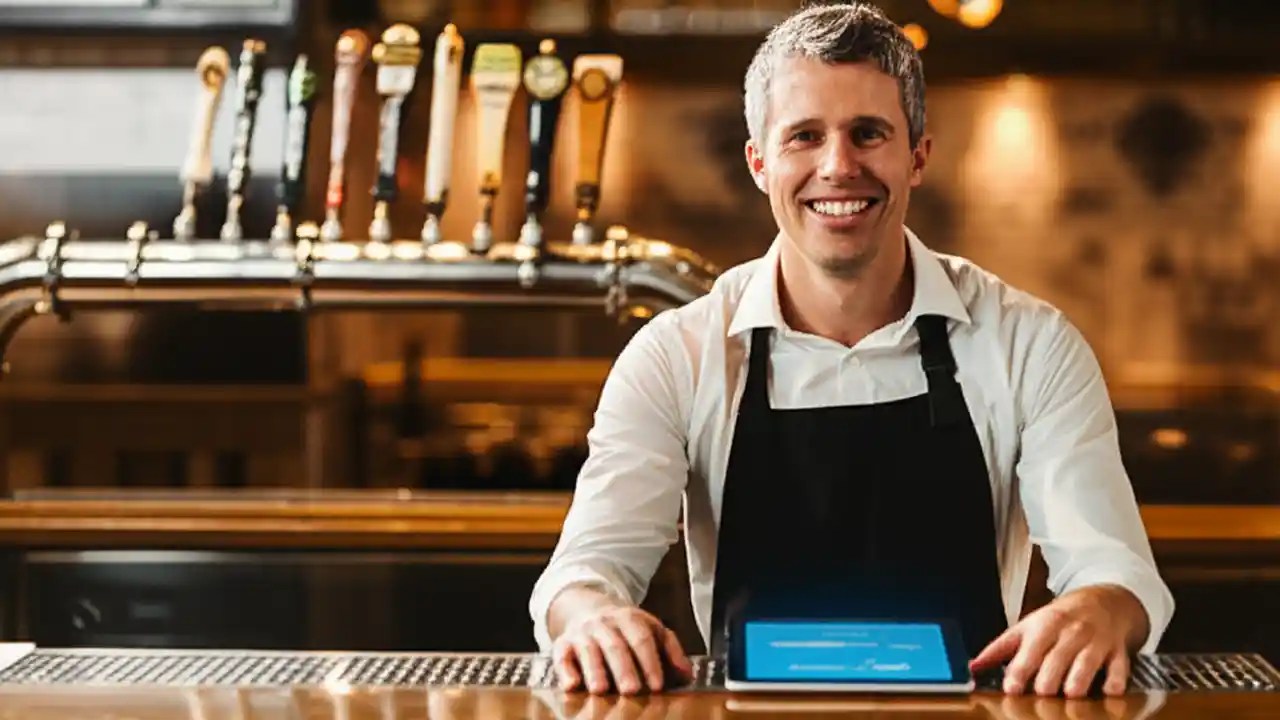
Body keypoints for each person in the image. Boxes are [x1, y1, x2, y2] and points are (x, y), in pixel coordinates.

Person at [528, 1, 1173, 700]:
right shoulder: (674, 356)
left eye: (868, 134)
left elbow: (1116, 573)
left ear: (917, 156)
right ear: (759, 162)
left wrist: (1101, 608)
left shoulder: (1031, 345)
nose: (838, 167)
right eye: (804, 136)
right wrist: (589, 615)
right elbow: (584, 571)